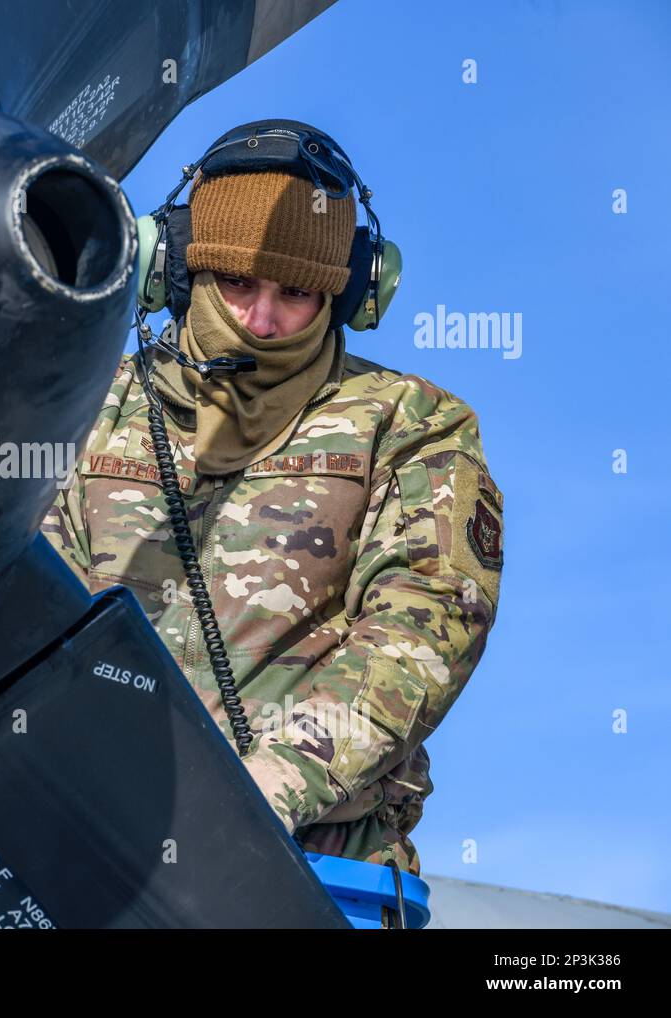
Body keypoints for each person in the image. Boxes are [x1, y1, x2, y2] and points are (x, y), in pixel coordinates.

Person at [40, 133, 503, 876]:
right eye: (236, 282)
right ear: (179, 268)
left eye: (295, 292)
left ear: (347, 295)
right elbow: (20, 618)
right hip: (89, 852)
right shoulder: (86, 408)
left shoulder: (410, 423)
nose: (260, 320)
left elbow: (426, 625)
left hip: (310, 869)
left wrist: (270, 789)